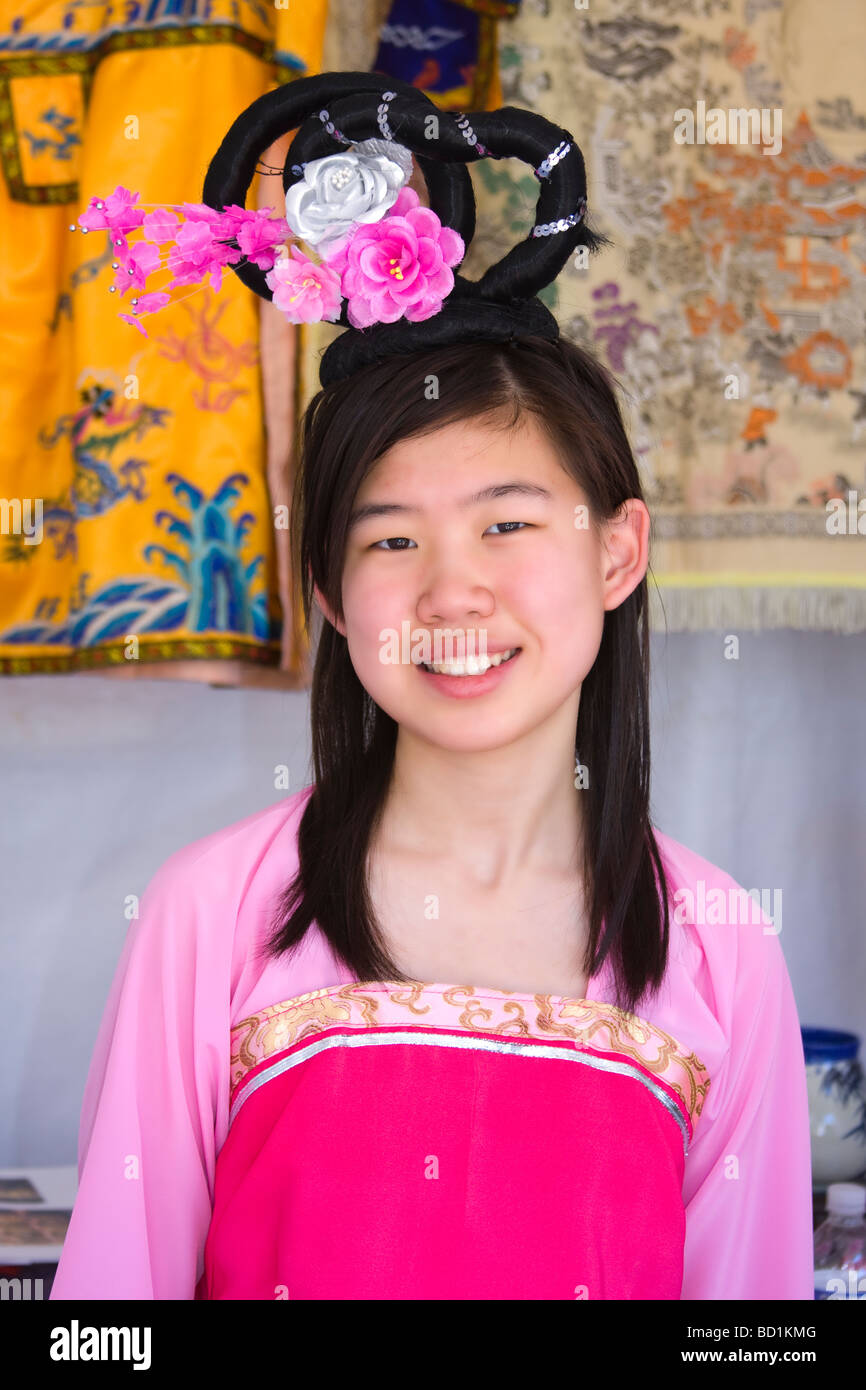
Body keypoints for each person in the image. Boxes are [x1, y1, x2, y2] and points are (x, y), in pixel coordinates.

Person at [50, 72, 814, 1301]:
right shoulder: (213, 912)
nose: (452, 594)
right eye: (391, 539)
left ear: (616, 549)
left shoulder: (717, 942)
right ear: (329, 593)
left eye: (508, 524)